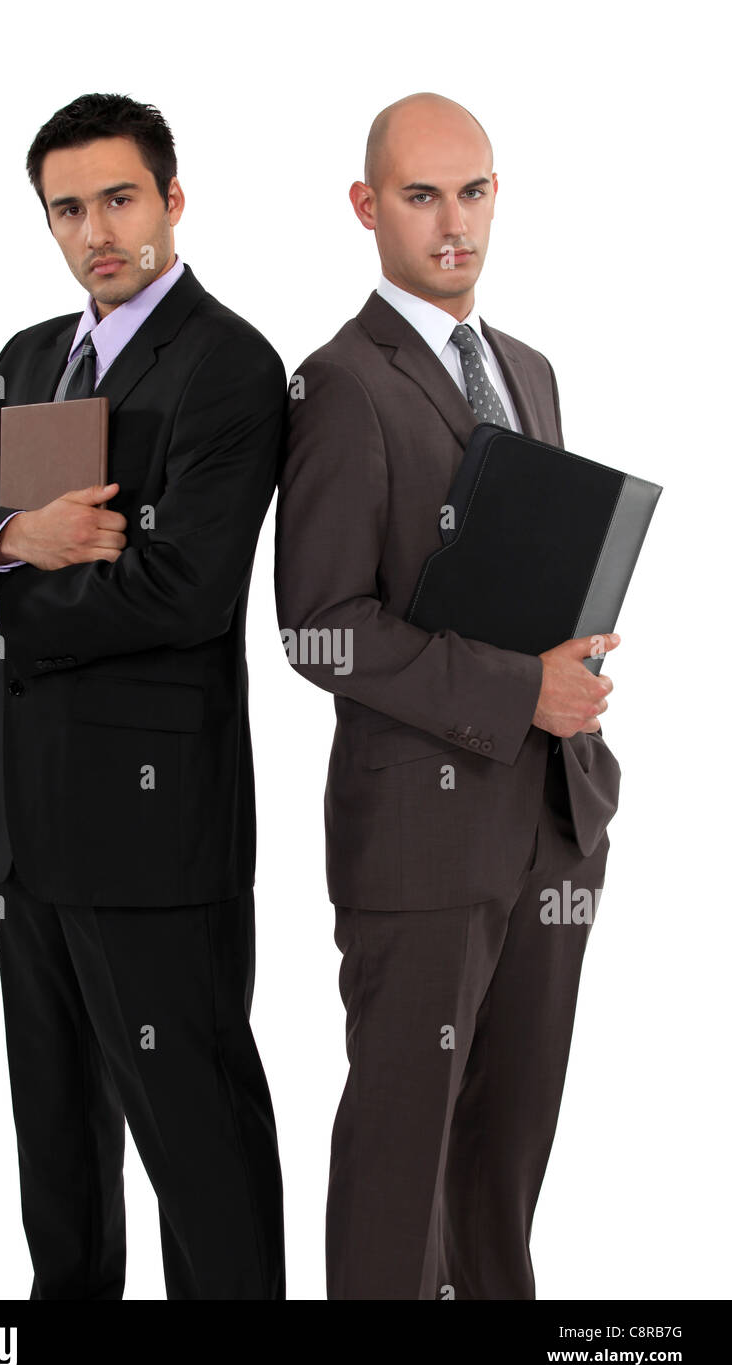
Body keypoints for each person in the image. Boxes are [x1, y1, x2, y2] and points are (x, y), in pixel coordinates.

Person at [0, 91, 285, 1301]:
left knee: (198, 1154)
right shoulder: (27, 359)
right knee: (56, 1163)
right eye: (68, 209)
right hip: (20, 825)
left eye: (119, 199)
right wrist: (24, 533)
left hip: (154, 840)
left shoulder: (228, 367)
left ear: (172, 201)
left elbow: (182, 594)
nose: (95, 231)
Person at [275, 91, 621, 1300]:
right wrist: (514, 687)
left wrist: (564, 670)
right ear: (367, 208)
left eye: (472, 191)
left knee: (501, 1167)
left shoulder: (525, 369)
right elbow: (315, 630)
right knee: (399, 1164)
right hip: (417, 843)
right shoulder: (337, 385)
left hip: (550, 823)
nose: (453, 222)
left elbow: (518, 581)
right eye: (421, 195)